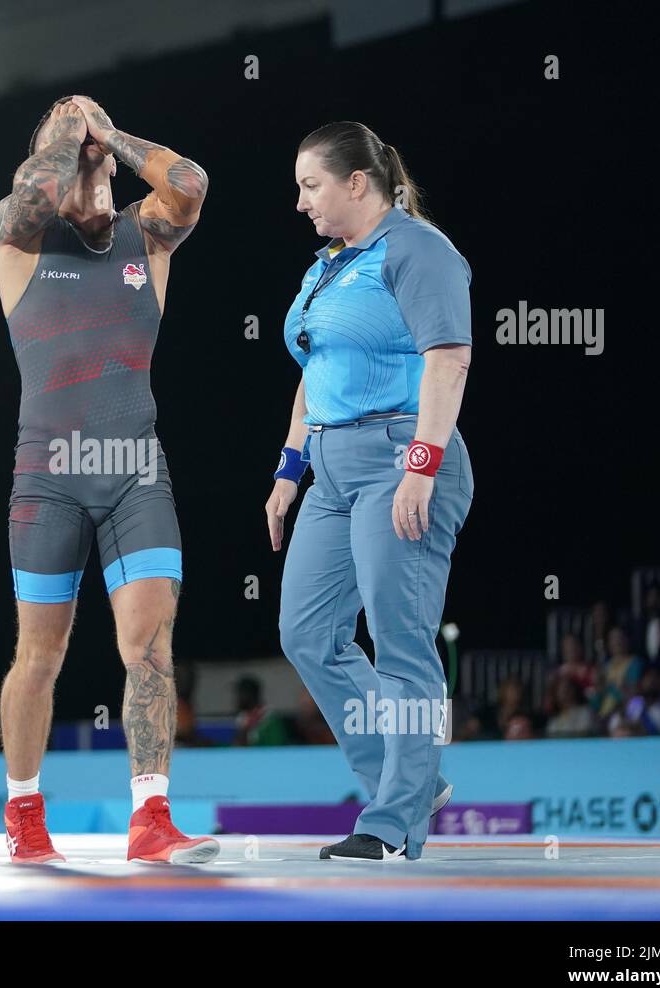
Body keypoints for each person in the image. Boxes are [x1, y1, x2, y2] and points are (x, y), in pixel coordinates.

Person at [0, 96, 217, 863]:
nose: (92, 165)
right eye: (75, 155)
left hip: (134, 474)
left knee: (151, 648)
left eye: (100, 160)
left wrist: (109, 133)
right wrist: (65, 134)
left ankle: (150, 820)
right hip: (46, 480)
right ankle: (24, 815)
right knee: (39, 658)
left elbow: (191, 184)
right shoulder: (18, 239)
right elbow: (30, 196)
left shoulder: (143, 238)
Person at [269, 122, 472, 861]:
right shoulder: (327, 266)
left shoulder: (419, 249)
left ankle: (395, 820)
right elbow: (313, 372)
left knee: (402, 643)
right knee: (306, 633)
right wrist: (290, 470)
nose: (300, 202)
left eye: (310, 185)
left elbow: (449, 361)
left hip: (401, 458)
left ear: (358, 183)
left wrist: (421, 465)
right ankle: (411, 777)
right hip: (331, 469)